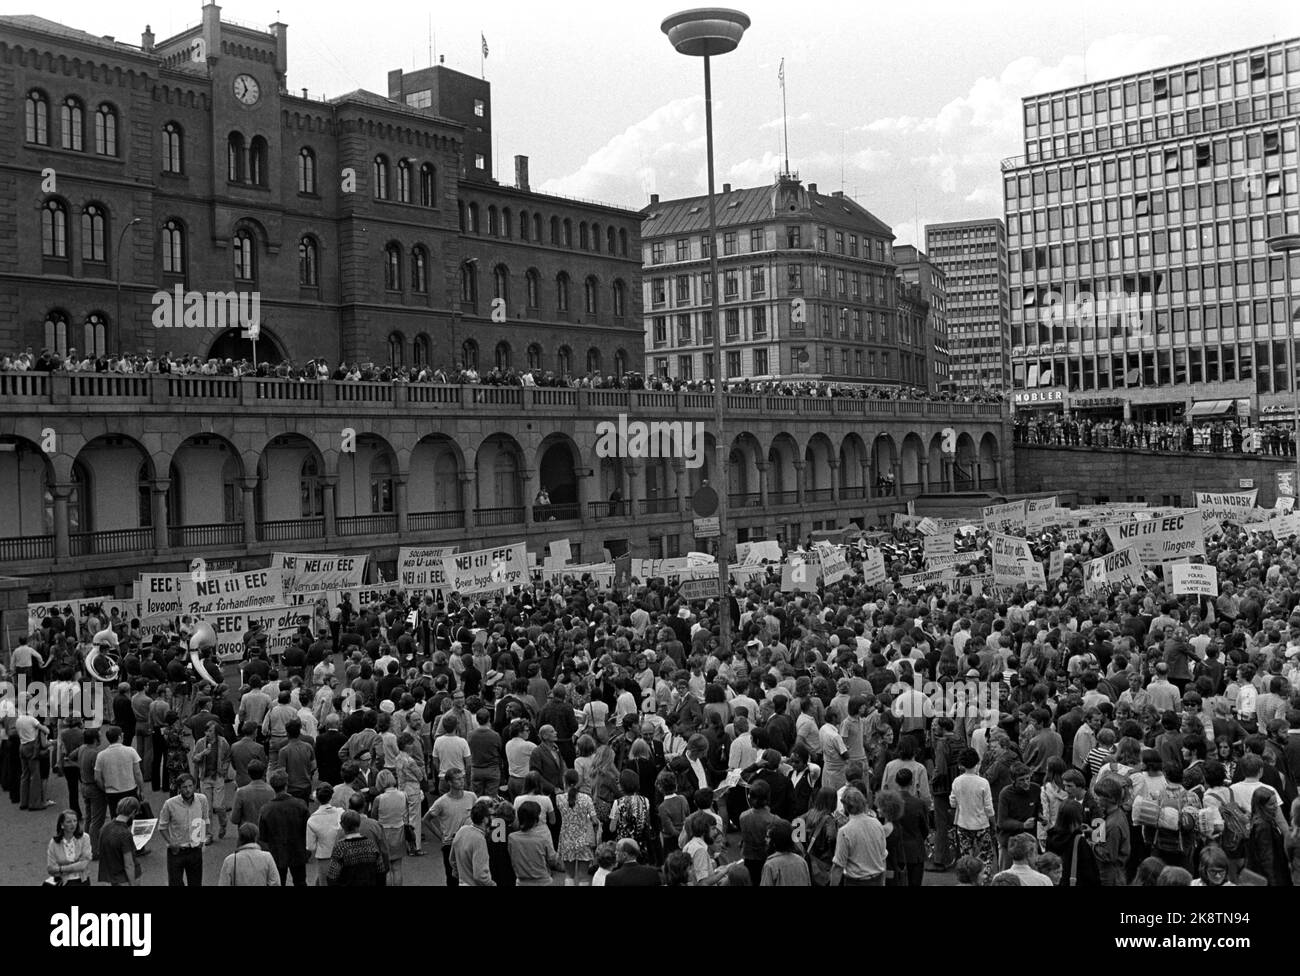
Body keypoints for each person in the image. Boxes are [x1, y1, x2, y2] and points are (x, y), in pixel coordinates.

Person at [257, 769, 310, 886]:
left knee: (278, 882)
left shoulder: (266, 809)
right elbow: (307, 829)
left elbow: (262, 836)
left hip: (276, 853)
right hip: (298, 850)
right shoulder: (300, 805)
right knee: (300, 881)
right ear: (286, 786)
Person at [157, 773, 210, 886]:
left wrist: (202, 839)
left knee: (195, 883)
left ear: (194, 786)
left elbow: (205, 819)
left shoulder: (202, 799)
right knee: (175, 883)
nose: (188, 790)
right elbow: (162, 826)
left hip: (195, 850)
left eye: (190, 786)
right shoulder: (170, 804)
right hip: (177, 851)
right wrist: (171, 843)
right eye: (184, 787)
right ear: (179, 789)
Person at [829, 786, 889, 886]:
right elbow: (883, 857)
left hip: (855, 881)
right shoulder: (877, 824)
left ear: (845, 806)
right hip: (877, 879)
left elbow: (838, 866)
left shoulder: (845, 831)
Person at [557, 768, 600, 885]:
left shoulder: (559, 799)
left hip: (567, 839)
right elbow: (595, 820)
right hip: (584, 839)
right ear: (577, 781)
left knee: (569, 875)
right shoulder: (586, 798)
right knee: (583, 877)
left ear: (564, 782)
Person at [325, 810, 385, 886]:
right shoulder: (371, 844)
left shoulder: (340, 847)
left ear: (342, 825)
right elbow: (381, 871)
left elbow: (332, 876)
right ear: (359, 824)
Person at [1246, 786, 1291, 885]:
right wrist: (1272, 881)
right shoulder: (1263, 826)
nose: (1275, 806)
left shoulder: (1264, 821)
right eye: (1271, 804)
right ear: (1261, 806)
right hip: (1272, 876)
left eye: (1275, 803)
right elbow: (1267, 858)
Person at [508, 799, 560, 885]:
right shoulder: (542, 839)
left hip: (521, 881)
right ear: (536, 820)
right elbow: (552, 860)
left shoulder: (512, 838)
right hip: (543, 882)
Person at [370, 769, 407, 886]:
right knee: (397, 867)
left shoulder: (379, 799)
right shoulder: (403, 795)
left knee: (387, 868)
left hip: (384, 833)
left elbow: (373, 816)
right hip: (399, 831)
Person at [97, 796, 141, 887]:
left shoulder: (105, 828)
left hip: (112, 877)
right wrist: (132, 883)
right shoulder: (125, 834)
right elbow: (129, 864)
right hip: (125, 879)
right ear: (133, 812)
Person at [451, 800, 496, 886]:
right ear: (485, 819)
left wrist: (461, 877)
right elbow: (480, 875)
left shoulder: (462, 830)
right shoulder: (479, 839)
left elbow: (452, 860)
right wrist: (492, 884)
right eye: (491, 815)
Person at [306, 784, 343, 884]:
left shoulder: (312, 820)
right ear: (331, 797)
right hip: (341, 856)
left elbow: (311, 847)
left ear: (317, 799)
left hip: (324, 857)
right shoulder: (340, 813)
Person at [46, 809, 92, 886]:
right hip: (63, 882)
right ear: (62, 824)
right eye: (69, 822)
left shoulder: (84, 838)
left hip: (82, 881)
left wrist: (60, 869)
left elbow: (83, 864)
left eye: (75, 821)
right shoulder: (54, 842)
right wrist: (75, 866)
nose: (73, 824)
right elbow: (51, 869)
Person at [760, 820, 811, 886]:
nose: (765, 840)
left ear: (775, 842)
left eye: (768, 837)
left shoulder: (770, 866)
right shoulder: (801, 861)